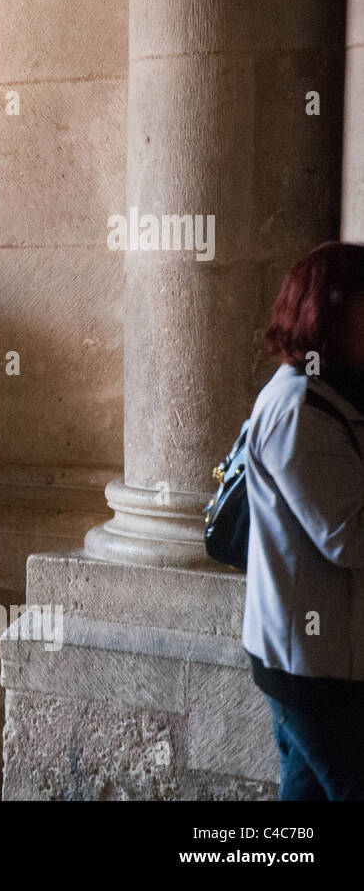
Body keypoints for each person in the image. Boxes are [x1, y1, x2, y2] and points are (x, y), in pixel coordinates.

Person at [242, 240, 364, 801]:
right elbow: (347, 537)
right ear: (331, 315)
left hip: (330, 656)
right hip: (314, 665)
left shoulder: (333, 392)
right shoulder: (297, 409)